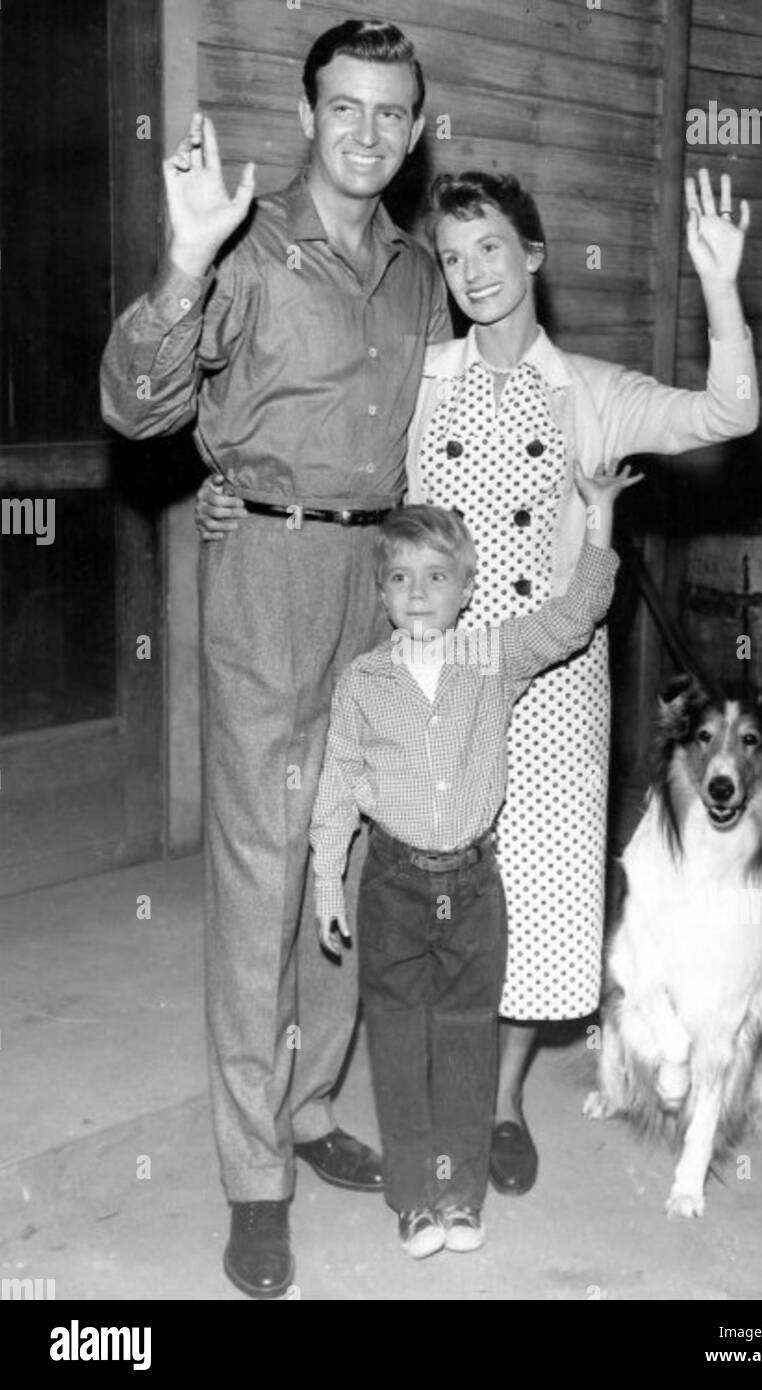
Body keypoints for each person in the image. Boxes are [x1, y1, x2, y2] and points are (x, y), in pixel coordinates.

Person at [198, 164, 759, 1197]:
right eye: (450, 258)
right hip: (430, 679)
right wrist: (229, 486)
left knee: (535, 907)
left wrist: (719, 284)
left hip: (546, 681)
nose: (470, 274)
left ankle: (499, 1099)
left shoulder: (589, 389)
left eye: (490, 247)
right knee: (423, 893)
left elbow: (726, 411)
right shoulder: (422, 373)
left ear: (534, 253)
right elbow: (327, 445)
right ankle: (416, 1098)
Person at [100, 19, 449, 1299]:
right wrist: (185, 262)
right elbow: (137, 407)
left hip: (382, 581)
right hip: (268, 577)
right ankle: (256, 1178)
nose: (365, 133)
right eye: (343, 108)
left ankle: (306, 1106)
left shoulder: (417, 276)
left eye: (389, 114)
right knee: (259, 874)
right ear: (308, 116)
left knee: (351, 852)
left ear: (415, 130)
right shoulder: (244, 249)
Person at [309, 455, 639, 1257]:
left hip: (474, 884)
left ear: (467, 589)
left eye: (435, 576)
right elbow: (338, 782)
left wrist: (599, 514)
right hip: (390, 884)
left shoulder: (494, 657)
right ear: (381, 591)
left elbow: (576, 615)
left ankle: (459, 1197)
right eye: (398, 577)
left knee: (463, 1038)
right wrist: (327, 881)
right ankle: (414, 1199)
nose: (416, 592)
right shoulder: (361, 682)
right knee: (397, 1040)